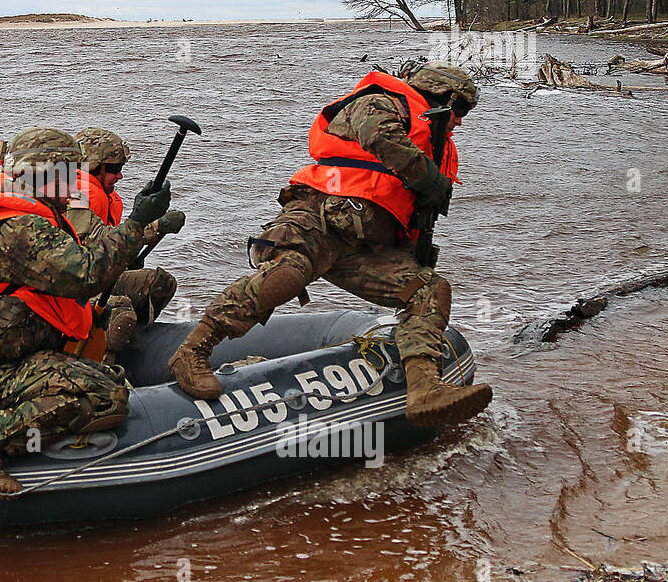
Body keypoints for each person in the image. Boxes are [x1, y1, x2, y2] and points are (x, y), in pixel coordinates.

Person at [167, 62, 493, 428]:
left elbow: (411, 222)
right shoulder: (381, 103)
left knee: (429, 290)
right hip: (316, 221)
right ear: (442, 97)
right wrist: (427, 177)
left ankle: (425, 390)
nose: (460, 122)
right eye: (460, 110)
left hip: (363, 247)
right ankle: (193, 351)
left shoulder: (434, 145)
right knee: (288, 273)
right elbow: (378, 137)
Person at [0, 127, 177, 495]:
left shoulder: (29, 218)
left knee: (110, 378)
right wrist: (135, 224)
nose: (75, 186)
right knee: (105, 395)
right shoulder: (18, 229)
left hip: (11, 353)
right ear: (42, 176)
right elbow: (85, 275)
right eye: (68, 175)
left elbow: (55, 294)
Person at [65, 127, 184, 359]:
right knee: (121, 312)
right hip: (74, 285)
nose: (120, 176)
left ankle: (130, 348)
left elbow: (116, 243)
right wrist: (155, 225)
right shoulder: (76, 194)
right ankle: (101, 361)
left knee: (161, 284)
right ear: (94, 166)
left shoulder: (105, 194)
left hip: (99, 276)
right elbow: (98, 241)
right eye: (115, 169)